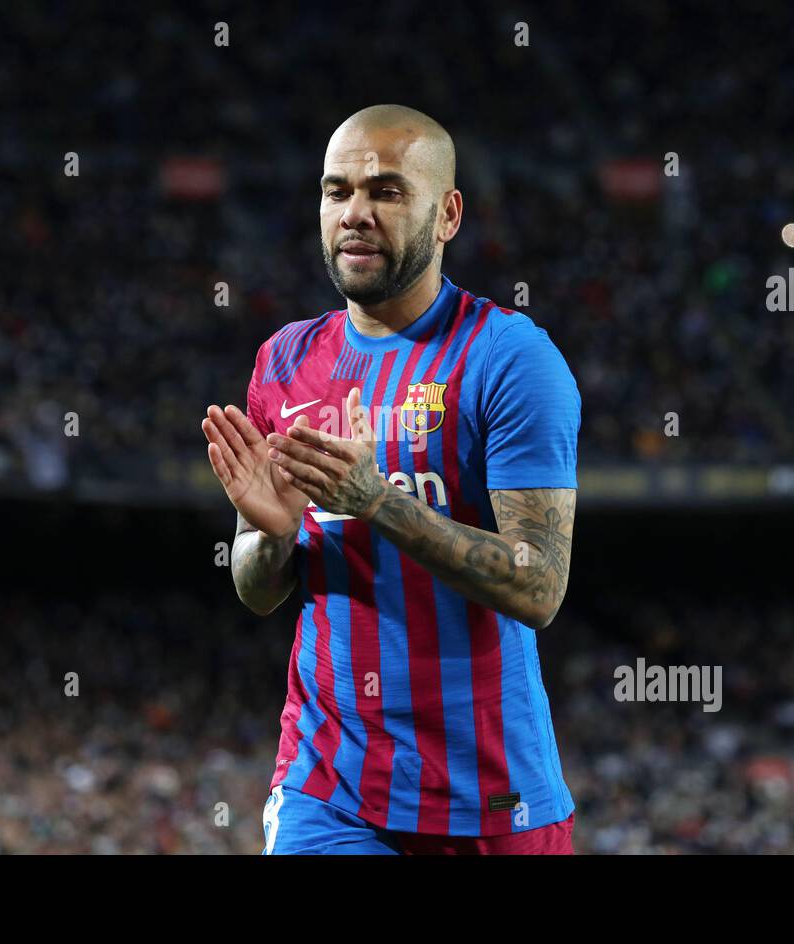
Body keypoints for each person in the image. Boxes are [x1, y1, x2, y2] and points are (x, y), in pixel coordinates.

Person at [202, 104, 581, 854]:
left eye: (385, 191)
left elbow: (540, 589)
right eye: (336, 190)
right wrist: (270, 538)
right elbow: (257, 588)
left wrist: (377, 502)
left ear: (447, 214)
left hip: (492, 797)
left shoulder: (509, 358)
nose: (355, 213)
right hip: (328, 788)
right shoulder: (284, 360)